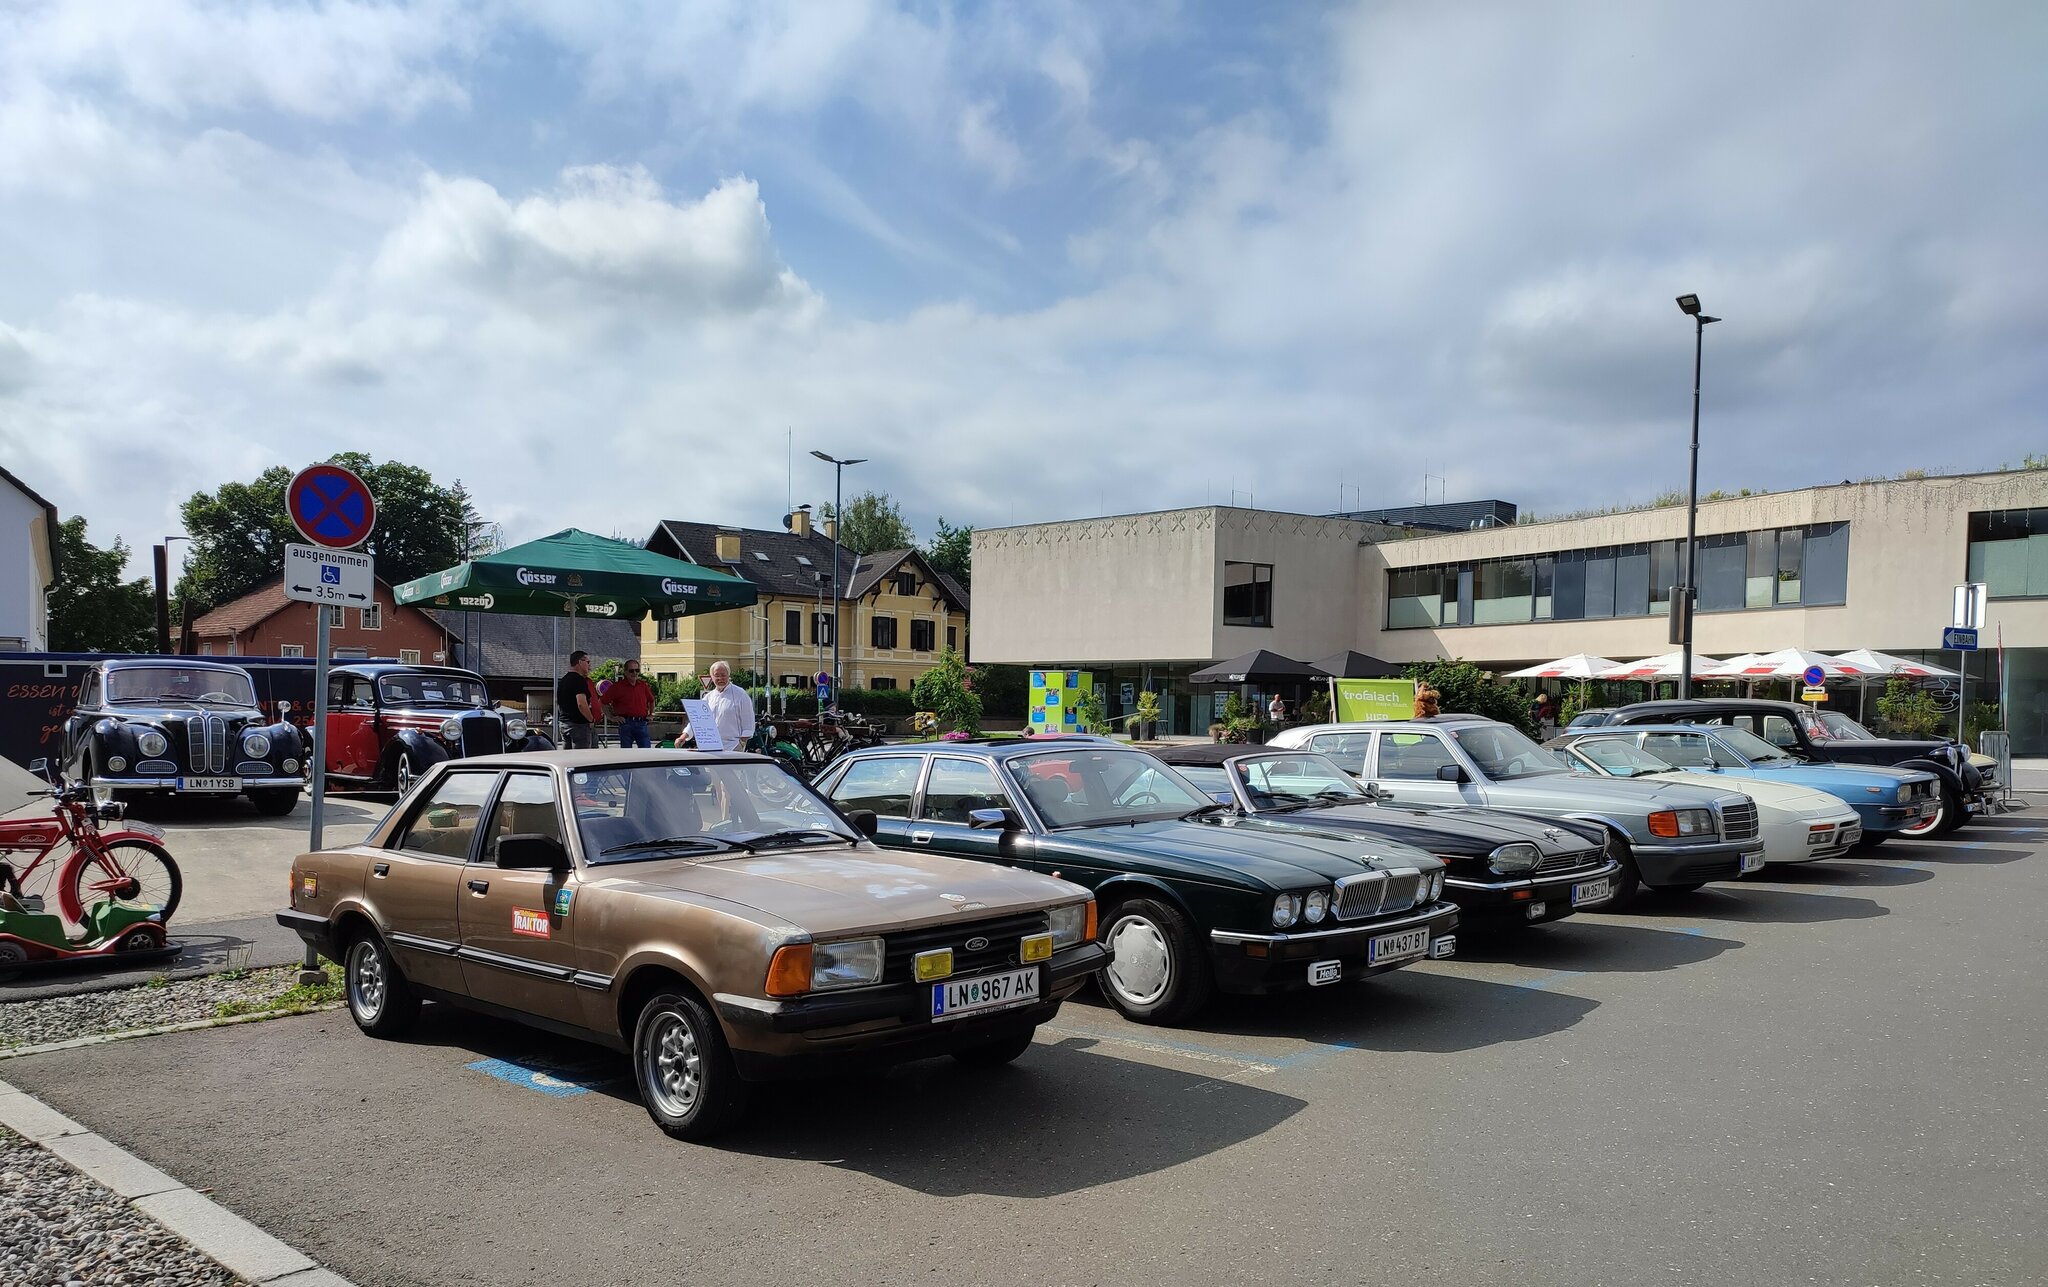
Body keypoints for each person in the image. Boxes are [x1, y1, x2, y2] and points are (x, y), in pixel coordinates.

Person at [683, 660, 756, 751]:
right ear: (712, 677)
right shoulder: (708, 697)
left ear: (728, 675)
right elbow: (697, 720)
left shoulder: (740, 694)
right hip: (710, 746)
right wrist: (684, 736)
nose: (720, 678)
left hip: (733, 746)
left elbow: (748, 722)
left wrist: (742, 743)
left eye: (723, 675)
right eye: (716, 675)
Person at [605, 661, 656, 749]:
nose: (635, 673)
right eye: (631, 671)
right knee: (626, 754)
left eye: (637, 670)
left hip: (641, 722)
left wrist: (651, 714)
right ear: (625, 672)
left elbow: (651, 700)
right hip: (625, 723)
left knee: (646, 752)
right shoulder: (617, 687)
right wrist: (611, 717)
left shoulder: (643, 685)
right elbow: (603, 702)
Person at [556, 651, 597, 750]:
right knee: (581, 758)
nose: (589, 665)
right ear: (580, 662)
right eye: (588, 662)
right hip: (578, 725)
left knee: (568, 756)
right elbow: (581, 704)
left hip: (564, 723)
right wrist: (591, 719)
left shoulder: (564, 680)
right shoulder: (579, 680)